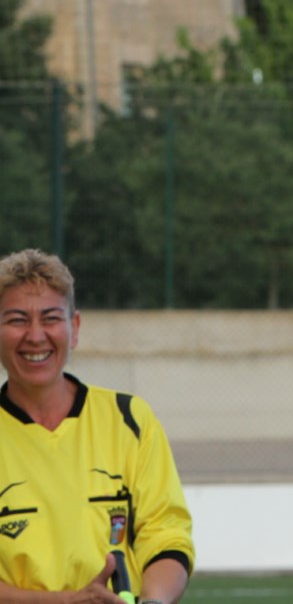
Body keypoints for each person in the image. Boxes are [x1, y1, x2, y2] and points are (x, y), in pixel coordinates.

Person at [0, 249, 193, 603]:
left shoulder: (129, 419)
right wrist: (67, 602)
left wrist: (153, 601)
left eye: (50, 318)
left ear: (74, 329)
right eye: (17, 320)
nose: (36, 336)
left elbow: (167, 536)